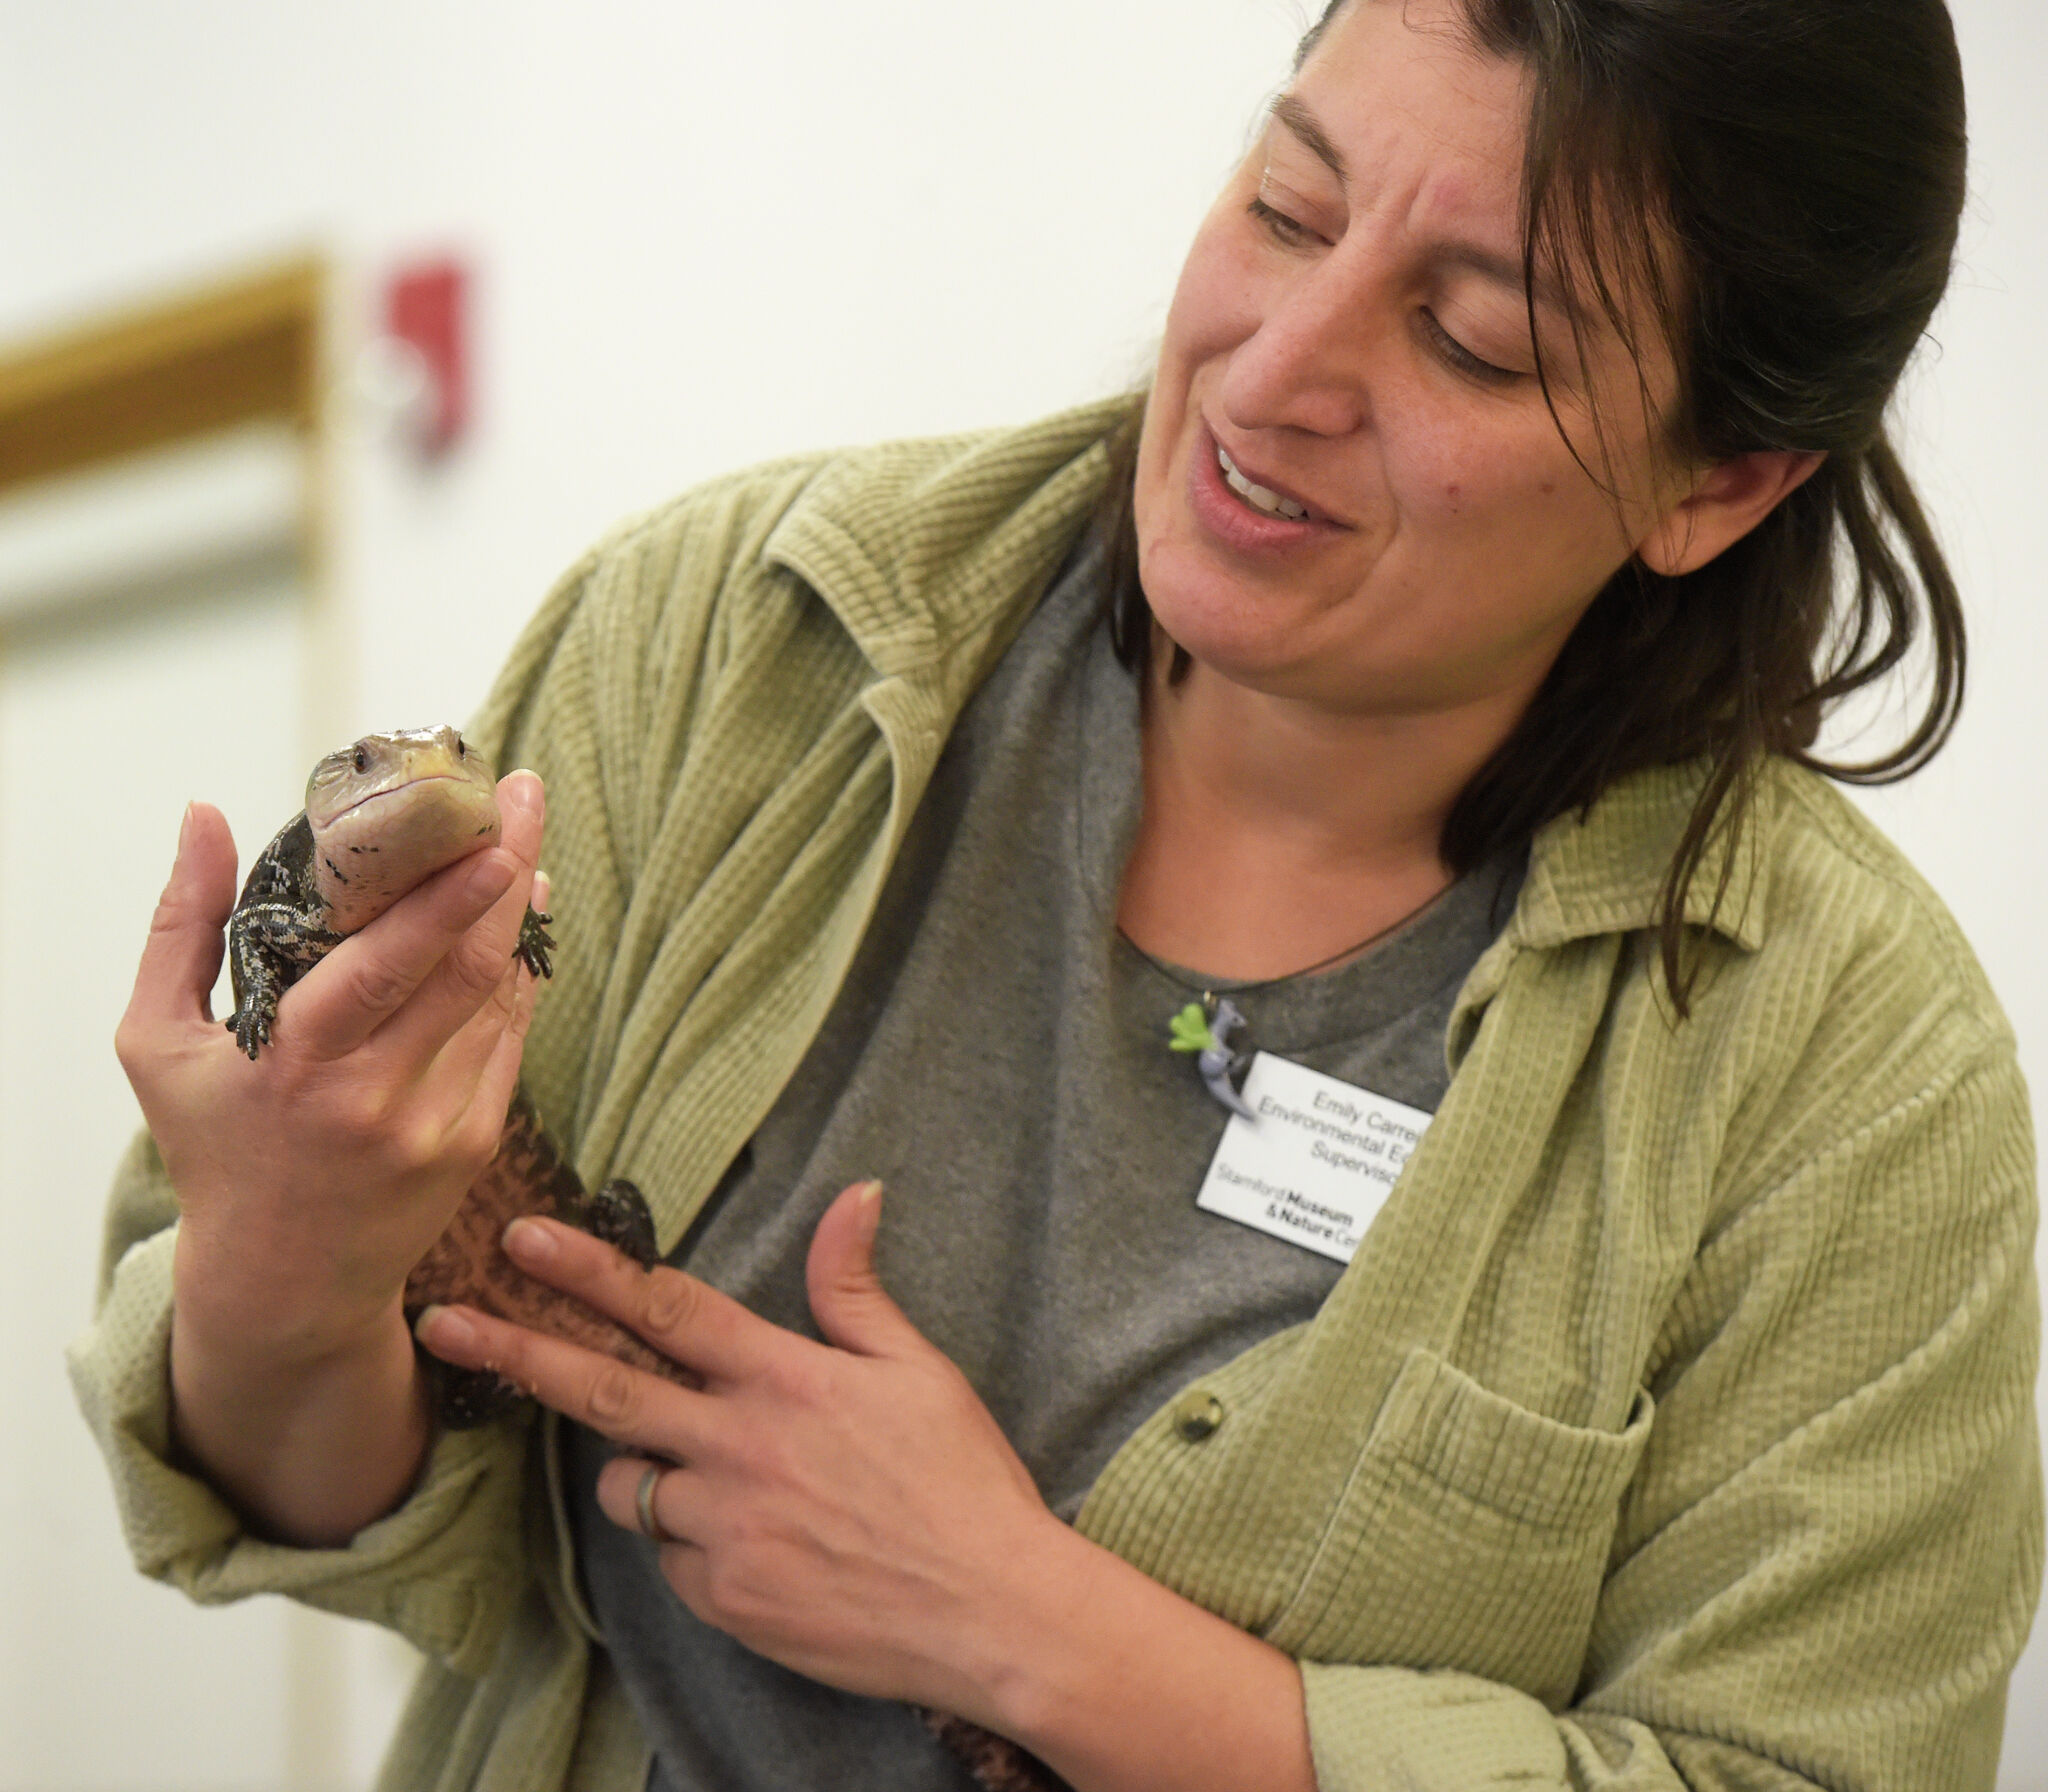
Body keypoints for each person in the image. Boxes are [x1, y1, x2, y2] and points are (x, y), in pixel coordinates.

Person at [74, 0, 2040, 1787]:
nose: (1276, 373)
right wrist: (286, 1266)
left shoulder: (1850, 1071)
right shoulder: (726, 640)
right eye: (1285, 207)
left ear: (1719, 483)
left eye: (1472, 340)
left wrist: (1032, 1632)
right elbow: (367, 1512)